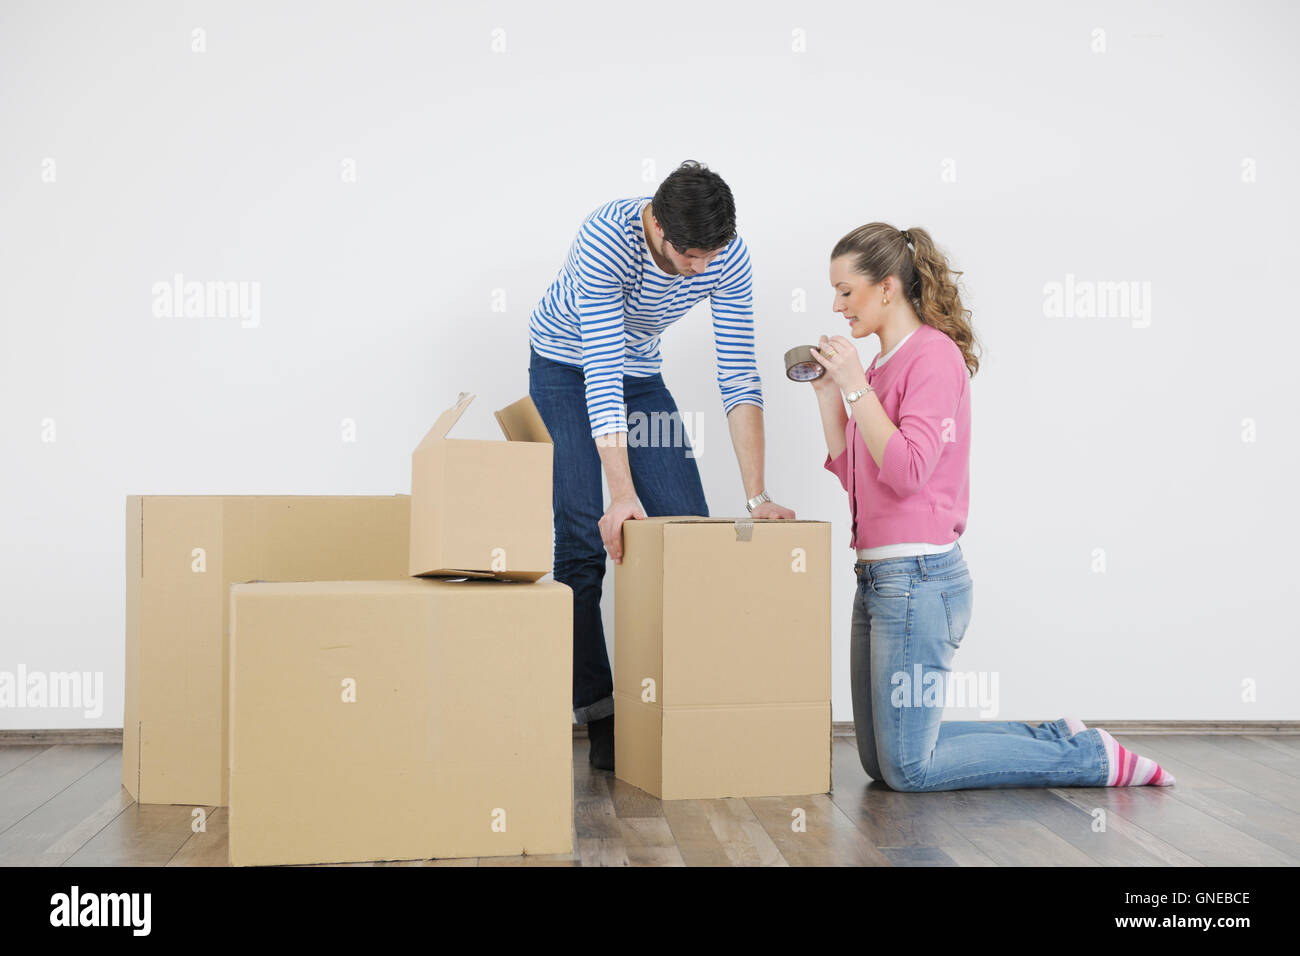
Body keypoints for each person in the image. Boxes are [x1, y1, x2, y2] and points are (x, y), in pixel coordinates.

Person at [808, 222, 1174, 790]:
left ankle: (1096, 761)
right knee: (881, 763)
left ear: (886, 289)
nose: (836, 305)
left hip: (920, 581)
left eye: (845, 291)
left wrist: (856, 386)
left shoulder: (933, 357)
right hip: (879, 579)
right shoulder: (878, 368)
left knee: (909, 769)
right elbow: (854, 475)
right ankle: (1057, 736)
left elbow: (907, 471)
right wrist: (832, 394)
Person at [528, 161, 794, 771]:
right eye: (691, 256)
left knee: (687, 535)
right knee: (580, 535)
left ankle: (678, 711)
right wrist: (620, 494)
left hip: (641, 374)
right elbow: (600, 370)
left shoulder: (725, 254)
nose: (703, 268)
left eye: (712, 255)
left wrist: (757, 497)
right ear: (656, 223)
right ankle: (602, 719)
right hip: (566, 369)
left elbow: (738, 373)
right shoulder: (606, 237)